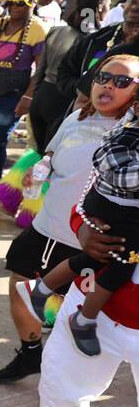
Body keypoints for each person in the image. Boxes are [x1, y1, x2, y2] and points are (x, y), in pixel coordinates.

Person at [0, 56, 139, 384]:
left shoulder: (129, 134)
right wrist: (41, 168)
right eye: (103, 77)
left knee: (77, 308)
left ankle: (62, 374)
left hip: (91, 244)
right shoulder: (77, 116)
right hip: (47, 227)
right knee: (20, 284)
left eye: (122, 81)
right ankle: (31, 352)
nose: (108, 85)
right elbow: (51, 154)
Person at [0, 190, 139, 407]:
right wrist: (84, 229)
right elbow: (89, 197)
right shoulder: (124, 148)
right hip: (91, 303)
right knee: (61, 386)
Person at [18, 96, 139, 355]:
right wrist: (82, 225)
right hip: (116, 212)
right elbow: (106, 175)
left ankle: (42, 290)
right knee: (117, 261)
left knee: (94, 259)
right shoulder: (126, 134)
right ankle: (83, 319)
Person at [29, 0, 110, 153]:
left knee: (35, 155)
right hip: (63, 102)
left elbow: (40, 70)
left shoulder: (57, 30)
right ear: (101, 7)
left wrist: (32, 96)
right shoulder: (91, 42)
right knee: (49, 159)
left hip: (41, 97)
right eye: (109, 6)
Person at [0, 0, 49, 192]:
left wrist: (28, 97)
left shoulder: (38, 28)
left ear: (32, 3)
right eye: (10, 3)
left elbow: (40, 69)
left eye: (19, 3)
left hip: (14, 93)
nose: (13, 8)